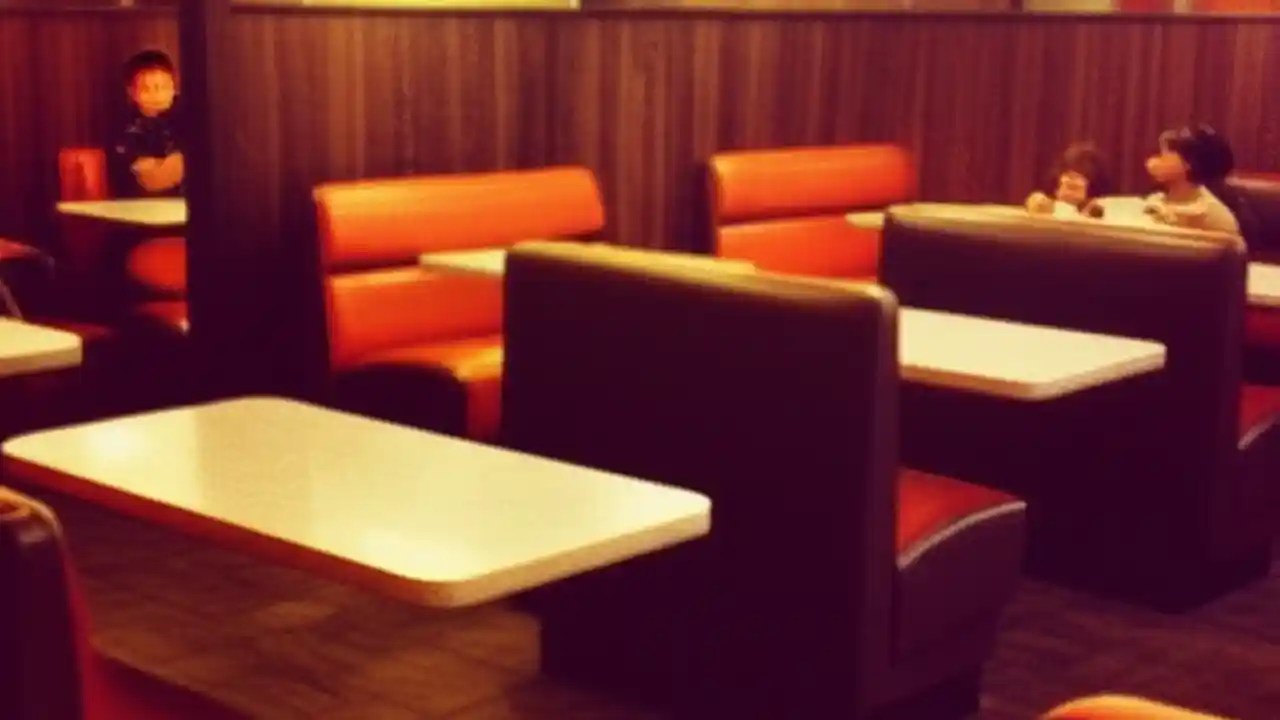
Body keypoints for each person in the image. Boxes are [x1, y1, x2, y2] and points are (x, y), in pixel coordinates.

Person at [1142, 124, 1239, 235]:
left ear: (1189, 163)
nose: (1155, 160)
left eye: (1165, 154)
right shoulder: (1155, 201)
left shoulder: (1212, 215)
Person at [111, 49, 184, 197]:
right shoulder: (127, 124)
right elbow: (140, 171)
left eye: (163, 87)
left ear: (173, 87)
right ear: (131, 92)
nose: (156, 95)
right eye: (146, 89)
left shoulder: (187, 115)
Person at [1025, 142, 1110, 219]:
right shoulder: (1043, 207)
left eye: (1074, 187)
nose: (1071, 181)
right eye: (1068, 176)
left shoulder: (1106, 214)